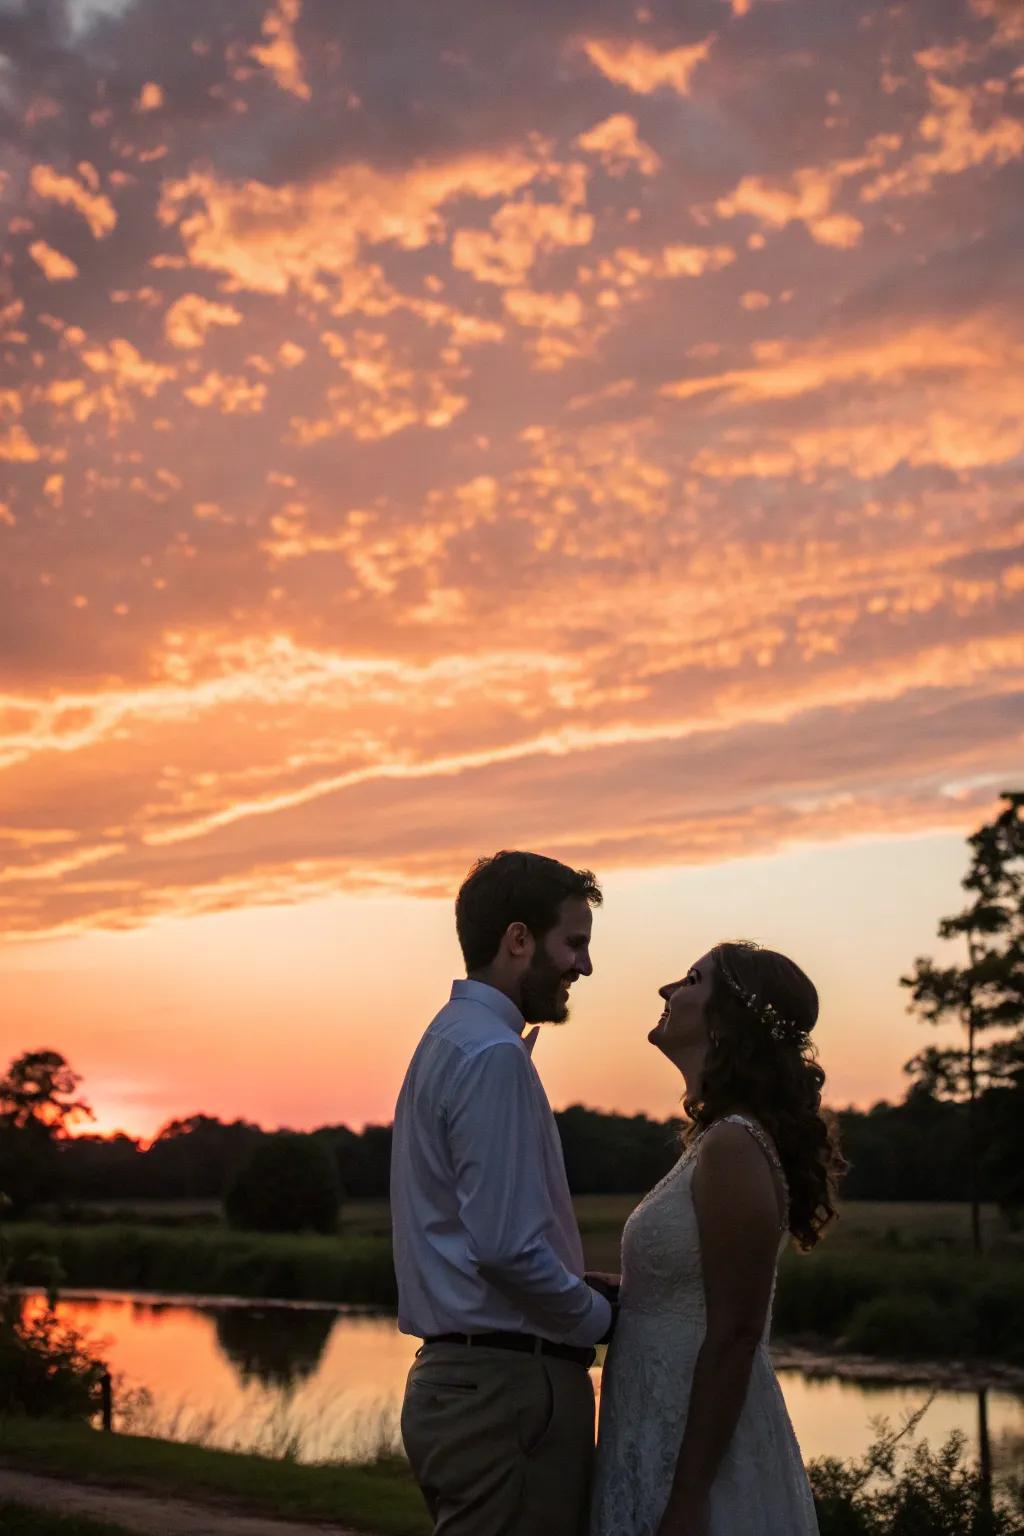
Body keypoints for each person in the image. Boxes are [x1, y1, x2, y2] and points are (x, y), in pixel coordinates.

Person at [392, 850, 615, 1536]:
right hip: (503, 1390)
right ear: (518, 939)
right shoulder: (492, 1058)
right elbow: (505, 1249)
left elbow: (477, 1234)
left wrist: (580, 1285)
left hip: (472, 1382)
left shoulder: (449, 1041)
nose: (584, 965)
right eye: (573, 943)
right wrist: (600, 1321)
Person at [590, 940, 846, 1536]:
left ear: (728, 1022)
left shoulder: (733, 1145)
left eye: (690, 980)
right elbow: (703, 1296)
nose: (667, 991)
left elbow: (735, 1334)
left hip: (695, 1450)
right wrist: (632, 1296)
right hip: (653, 1419)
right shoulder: (713, 1141)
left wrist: (688, 1498)